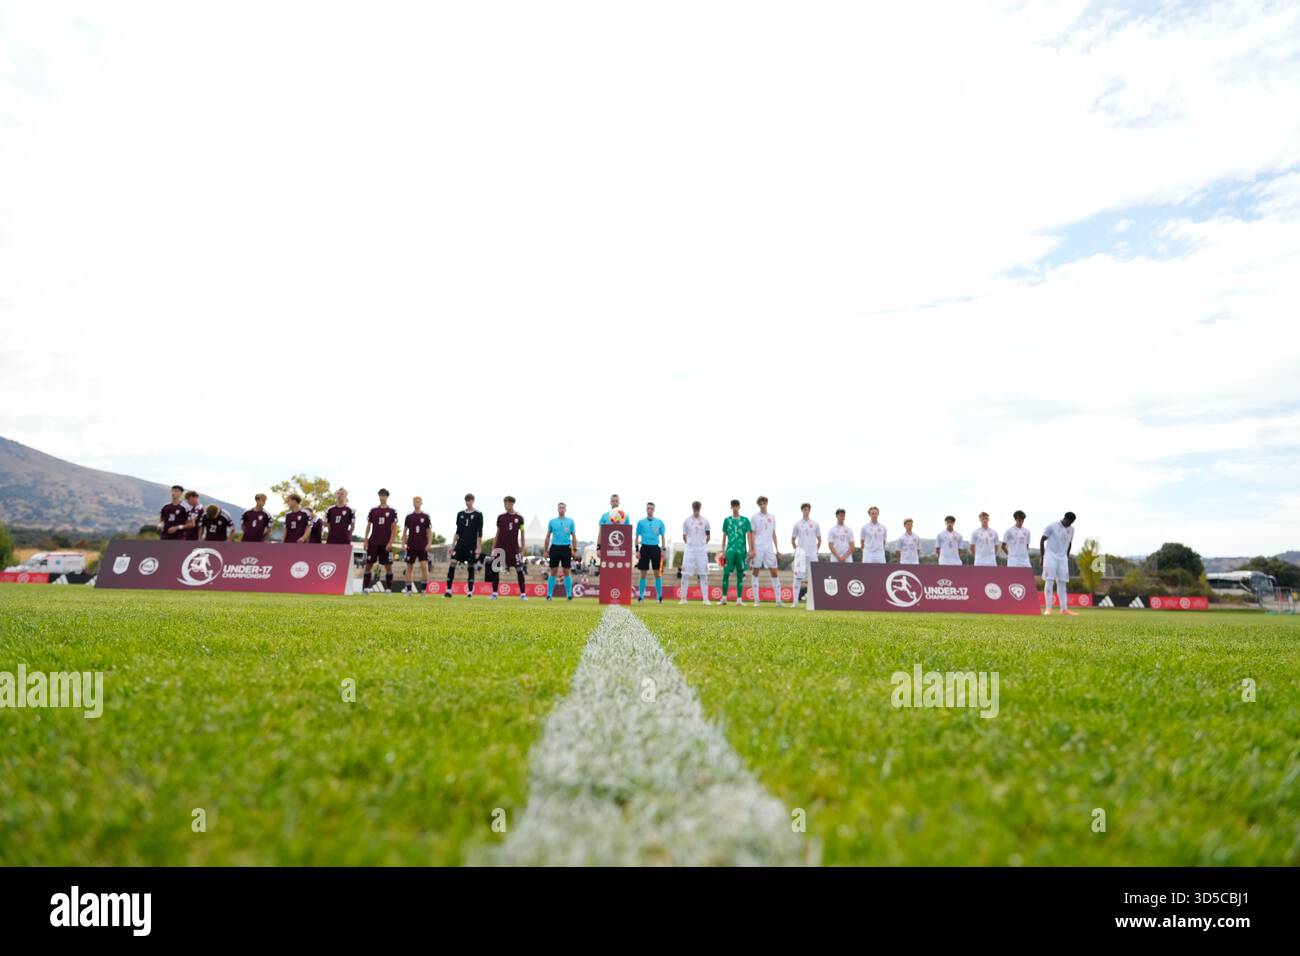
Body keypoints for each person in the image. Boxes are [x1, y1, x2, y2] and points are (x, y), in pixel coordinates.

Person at [446, 493, 484, 599]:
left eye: (470, 500)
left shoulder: (478, 514)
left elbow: (479, 532)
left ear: (473, 501)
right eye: (466, 500)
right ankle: (448, 591)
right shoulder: (460, 514)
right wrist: (453, 545)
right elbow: (457, 532)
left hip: (471, 545)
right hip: (460, 545)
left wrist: (478, 547)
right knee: (453, 563)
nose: (468, 502)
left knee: (470, 566)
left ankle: (470, 592)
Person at [1040, 511, 1078, 616]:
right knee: (1049, 581)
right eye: (1068, 521)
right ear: (1064, 518)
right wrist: (1042, 557)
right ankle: (1048, 609)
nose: (1069, 524)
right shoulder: (1052, 526)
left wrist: (1066, 556)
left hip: (1063, 559)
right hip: (1050, 556)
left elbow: (1069, 543)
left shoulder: (1071, 529)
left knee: (1062, 583)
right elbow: (1042, 540)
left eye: (1071, 522)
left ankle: (1064, 609)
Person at [491, 496, 527, 600]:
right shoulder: (501, 517)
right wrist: (493, 548)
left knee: (519, 570)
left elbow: (522, 534)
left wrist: (522, 550)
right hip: (500, 548)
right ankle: (494, 594)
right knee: (495, 570)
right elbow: (497, 533)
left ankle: (523, 594)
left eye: (507, 503)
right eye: (504, 503)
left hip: (514, 549)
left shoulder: (520, 518)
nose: (505, 505)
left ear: (512, 504)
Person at [750, 496, 784, 606]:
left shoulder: (772, 517)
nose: (762, 505)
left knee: (774, 572)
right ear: (758, 505)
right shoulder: (754, 517)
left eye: (764, 503)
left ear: (767, 503)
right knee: (755, 572)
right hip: (758, 547)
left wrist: (777, 549)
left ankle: (778, 601)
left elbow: (773, 533)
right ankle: (756, 600)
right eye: (760, 503)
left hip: (769, 548)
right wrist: (752, 549)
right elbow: (752, 534)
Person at [363, 489, 398, 593]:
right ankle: (365, 588)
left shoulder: (392, 511)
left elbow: (394, 528)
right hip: (373, 542)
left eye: (384, 495)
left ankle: (388, 589)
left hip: (386, 543)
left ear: (387, 497)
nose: (382, 497)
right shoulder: (373, 510)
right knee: (369, 564)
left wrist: (390, 542)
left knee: (388, 566)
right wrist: (366, 540)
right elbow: (369, 526)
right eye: (380, 495)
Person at [719, 499, 752, 606]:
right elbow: (724, 537)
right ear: (731, 507)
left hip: (741, 552)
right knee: (726, 573)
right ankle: (724, 598)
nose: (735, 508)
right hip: (729, 551)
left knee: (740, 574)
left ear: (739, 507)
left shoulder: (745, 520)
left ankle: (739, 600)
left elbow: (748, 535)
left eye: (736, 506)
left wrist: (750, 549)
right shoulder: (727, 520)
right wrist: (723, 551)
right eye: (733, 506)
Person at [542, 502, 577, 601]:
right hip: (555, 547)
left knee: (566, 571)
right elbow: (548, 536)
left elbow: (574, 536)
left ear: (565, 509)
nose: (561, 509)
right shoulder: (552, 521)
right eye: (560, 508)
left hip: (566, 548)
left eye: (563, 508)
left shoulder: (570, 521)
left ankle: (569, 595)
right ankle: (549, 595)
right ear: (557, 509)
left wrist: (574, 550)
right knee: (553, 571)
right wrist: (545, 550)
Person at [680, 501, 711, 605]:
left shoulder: (705, 521)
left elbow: (708, 536)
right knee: (684, 574)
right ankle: (683, 599)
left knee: (704, 574)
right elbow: (684, 536)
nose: (696, 508)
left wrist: (701, 544)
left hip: (701, 551)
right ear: (692, 507)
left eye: (698, 507)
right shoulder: (686, 521)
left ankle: (705, 599)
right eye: (695, 507)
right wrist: (691, 544)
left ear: (700, 507)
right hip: (689, 550)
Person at [400, 496, 434, 594]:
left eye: (418, 501)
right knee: (409, 567)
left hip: (422, 545)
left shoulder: (426, 516)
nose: (416, 503)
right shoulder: (409, 517)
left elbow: (429, 531)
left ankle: (423, 590)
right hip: (411, 545)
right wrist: (403, 543)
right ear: (413, 503)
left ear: (421, 503)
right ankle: (409, 590)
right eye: (415, 502)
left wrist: (429, 543)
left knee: (424, 566)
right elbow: (405, 530)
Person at [635, 502, 667, 603]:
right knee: (643, 573)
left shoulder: (659, 522)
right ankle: (641, 596)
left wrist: (663, 550)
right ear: (646, 509)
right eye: (648, 508)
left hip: (655, 549)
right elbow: (636, 537)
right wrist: (637, 550)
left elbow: (662, 537)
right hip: (644, 548)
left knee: (657, 573)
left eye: (651, 508)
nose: (650, 510)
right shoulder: (640, 522)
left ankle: (659, 596)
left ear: (654, 510)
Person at [790, 503, 821, 604]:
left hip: (812, 555)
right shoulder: (797, 524)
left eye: (808, 509)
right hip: (801, 555)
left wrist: (816, 550)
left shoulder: (815, 524)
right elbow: (793, 540)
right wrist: (797, 550)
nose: (806, 511)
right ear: (802, 511)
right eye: (804, 509)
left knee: (814, 577)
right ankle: (795, 602)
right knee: (797, 578)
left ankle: (813, 601)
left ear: (810, 510)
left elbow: (819, 539)